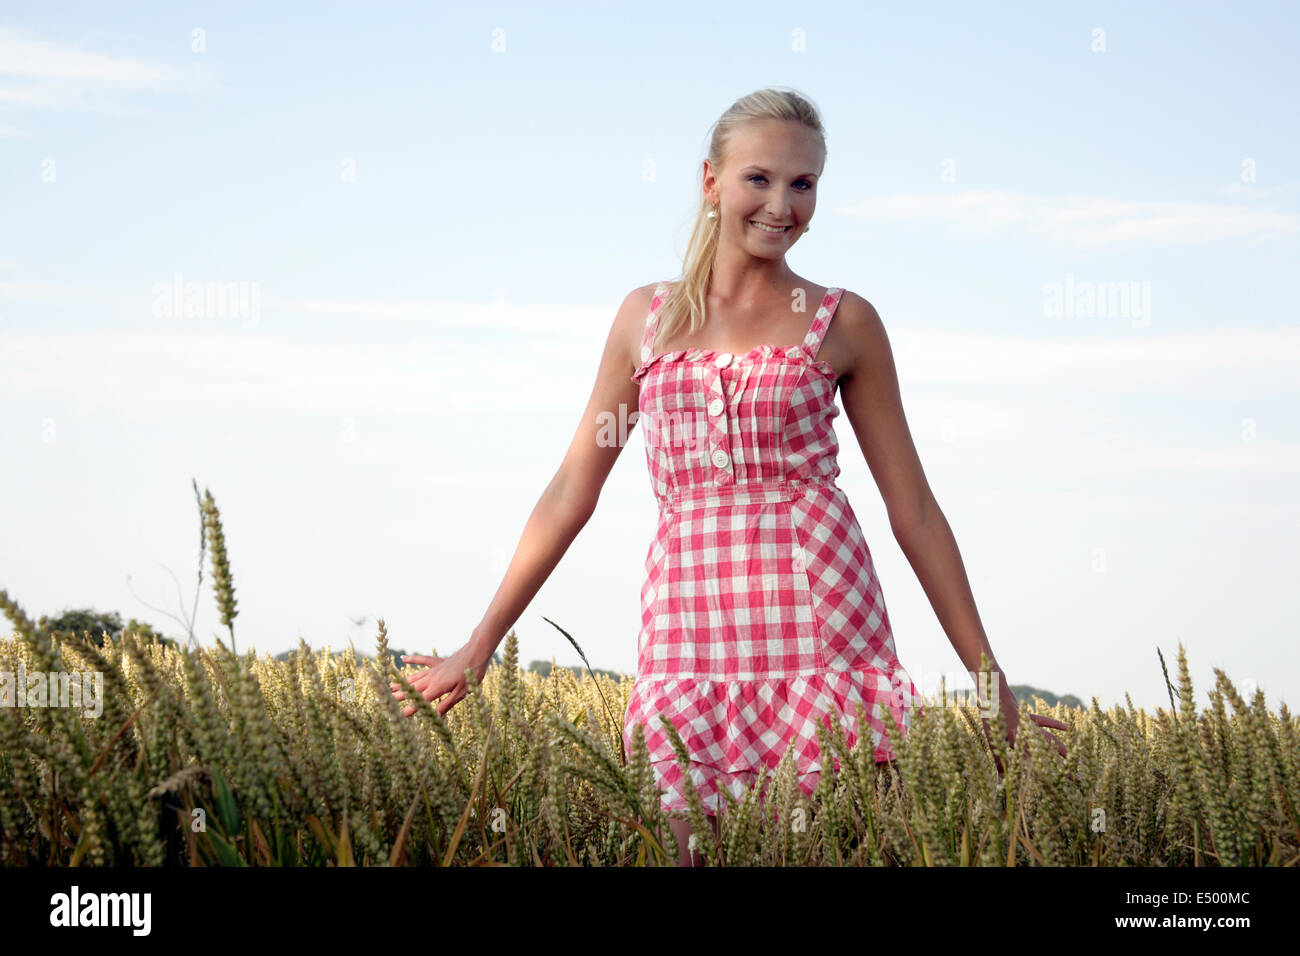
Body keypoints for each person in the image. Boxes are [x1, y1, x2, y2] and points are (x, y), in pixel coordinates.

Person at [392, 87, 1069, 867]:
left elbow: (913, 509)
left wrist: (989, 685)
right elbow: (572, 489)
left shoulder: (846, 323)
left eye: (804, 184)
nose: (783, 204)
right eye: (760, 178)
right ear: (711, 182)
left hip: (824, 638)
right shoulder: (644, 320)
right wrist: (482, 643)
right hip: (685, 643)